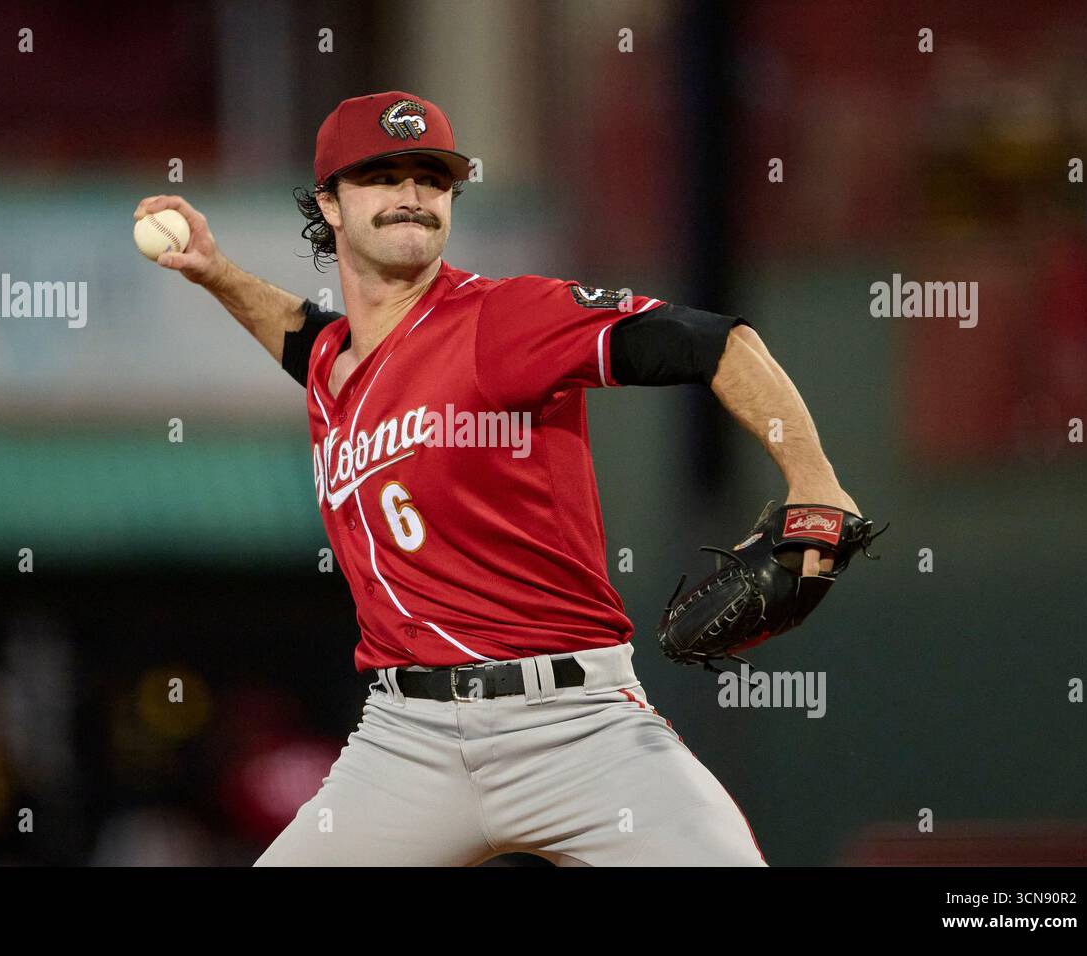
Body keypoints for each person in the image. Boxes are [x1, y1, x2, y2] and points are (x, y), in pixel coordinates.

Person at [133, 91, 858, 866]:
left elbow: (716, 343)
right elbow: (302, 335)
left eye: (432, 178)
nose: (412, 196)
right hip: (405, 746)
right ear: (330, 206)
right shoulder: (330, 363)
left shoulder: (503, 320)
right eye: (383, 175)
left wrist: (815, 480)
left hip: (577, 728)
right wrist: (213, 272)